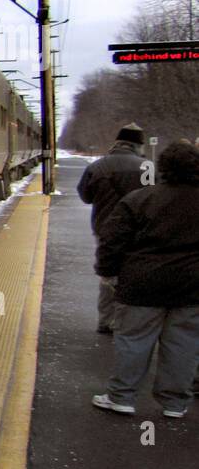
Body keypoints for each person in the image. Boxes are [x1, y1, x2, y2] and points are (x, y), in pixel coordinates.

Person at [91, 140, 199, 418]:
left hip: (142, 283)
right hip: (192, 286)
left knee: (134, 340)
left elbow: (112, 240)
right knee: (184, 344)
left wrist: (109, 272)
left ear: (163, 168)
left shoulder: (139, 199)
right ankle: (174, 403)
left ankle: (122, 397)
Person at [77, 123, 148, 332]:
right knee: (135, 273)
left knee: (108, 275)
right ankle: (130, 319)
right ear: (138, 145)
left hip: (105, 229)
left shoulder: (97, 166)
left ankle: (106, 321)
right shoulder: (147, 167)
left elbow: (85, 196)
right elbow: (154, 194)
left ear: (118, 142)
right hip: (139, 230)